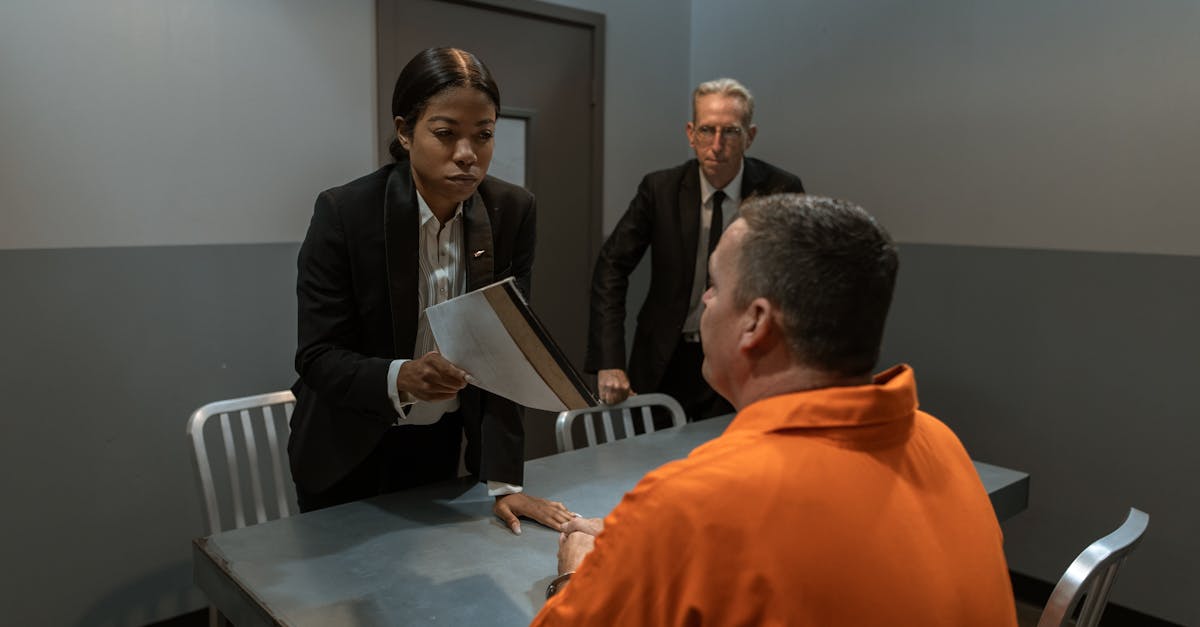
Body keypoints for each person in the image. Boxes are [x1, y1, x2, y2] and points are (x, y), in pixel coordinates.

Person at [532, 195, 1019, 626]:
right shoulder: (939, 440)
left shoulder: (691, 504)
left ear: (756, 322)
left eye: (715, 286)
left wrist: (578, 572)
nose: (704, 299)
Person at [288, 47, 572, 534]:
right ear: (405, 131)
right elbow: (317, 355)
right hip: (346, 445)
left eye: (483, 136)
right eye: (445, 134)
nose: (467, 154)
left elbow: (503, 352)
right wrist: (401, 377)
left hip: (438, 443)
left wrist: (505, 483)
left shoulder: (511, 211)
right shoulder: (345, 213)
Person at [585, 78, 805, 420]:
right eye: (706, 130)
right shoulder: (660, 189)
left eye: (730, 132)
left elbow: (796, 279)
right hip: (665, 356)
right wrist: (609, 360)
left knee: (733, 462)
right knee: (652, 464)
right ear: (691, 134)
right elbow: (611, 266)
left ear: (750, 136)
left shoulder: (779, 188)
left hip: (743, 355)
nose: (717, 145)